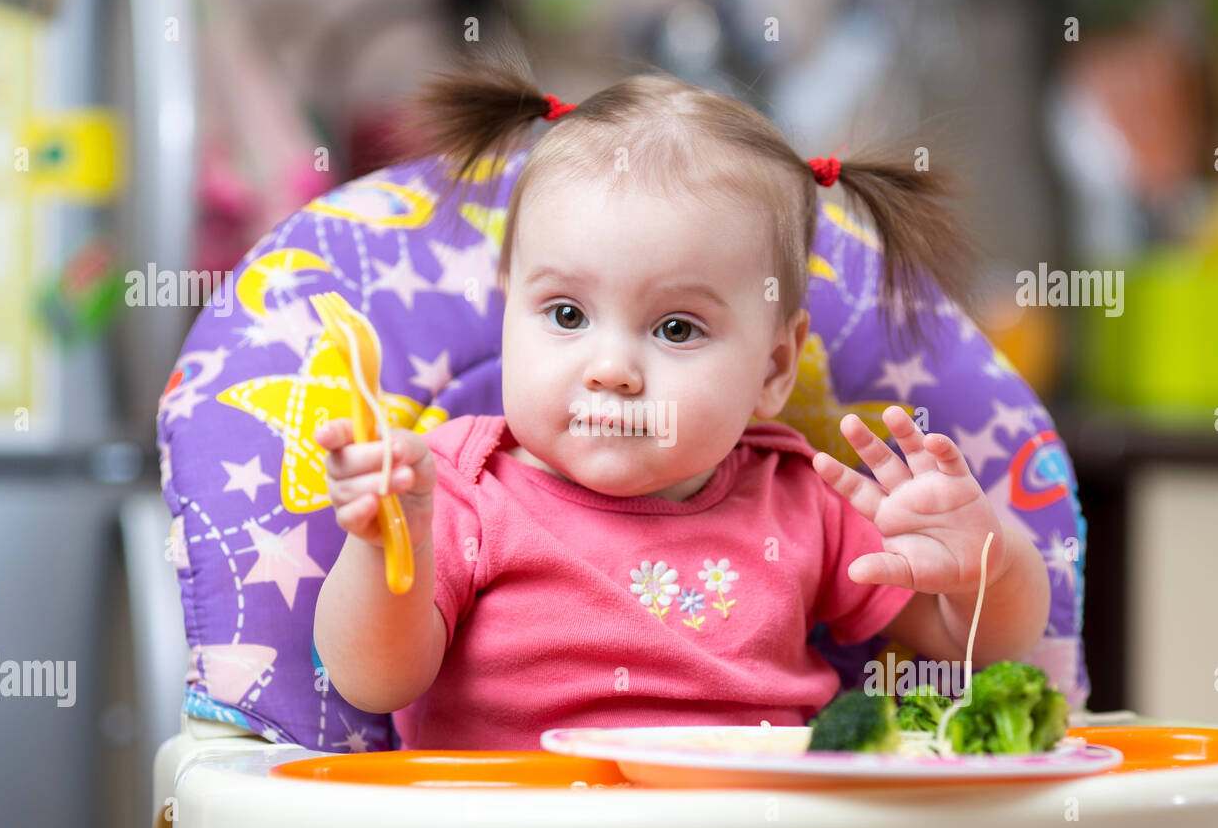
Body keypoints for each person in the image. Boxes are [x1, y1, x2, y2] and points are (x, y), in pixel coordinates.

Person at [312, 45, 1050, 749]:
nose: (612, 369)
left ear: (774, 367)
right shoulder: (459, 488)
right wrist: (387, 545)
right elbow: (374, 680)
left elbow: (973, 645)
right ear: (508, 316)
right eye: (566, 315)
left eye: (675, 327)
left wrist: (986, 561)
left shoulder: (804, 502)